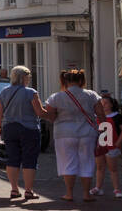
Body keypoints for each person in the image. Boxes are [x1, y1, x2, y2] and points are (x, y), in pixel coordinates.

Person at [43, 69, 102, 203]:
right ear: (81, 80)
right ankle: (86, 194)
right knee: (87, 162)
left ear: (64, 81)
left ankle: (69, 193)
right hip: (87, 133)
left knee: (68, 163)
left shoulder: (56, 97)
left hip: (64, 133)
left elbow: (50, 116)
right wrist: (105, 136)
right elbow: (101, 115)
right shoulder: (91, 95)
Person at [0, 65, 48, 202]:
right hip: (29, 129)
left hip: (9, 128)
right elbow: (40, 112)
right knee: (29, 160)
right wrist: (54, 113)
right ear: (24, 77)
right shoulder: (31, 93)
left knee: (12, 158)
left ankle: (14, 189)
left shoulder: (4, 92)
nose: (29, 79)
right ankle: (29, 191)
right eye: (28, 76)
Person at [90, 95, 122, 198]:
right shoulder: (96, 117)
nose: (103, 105)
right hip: (100, 145)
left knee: (113, 168)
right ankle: (98, 187)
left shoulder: (117, 117)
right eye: (101, 103)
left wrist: (118, 143)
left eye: (106, 103)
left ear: (111, 104)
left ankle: (116, 189)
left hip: (111, 145)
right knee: (100, 167)